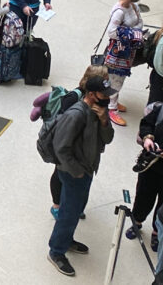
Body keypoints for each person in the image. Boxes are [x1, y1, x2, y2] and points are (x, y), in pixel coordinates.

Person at [46, 77, 114, 277]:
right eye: (103, 95)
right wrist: (77, 172)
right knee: (68, 212)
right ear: (91, 94)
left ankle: (66, 240)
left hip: (87, 169)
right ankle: (56, 251)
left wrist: (104, 120)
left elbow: (108, 138)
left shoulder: (99, 112)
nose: (107, 98)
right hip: (73, 173)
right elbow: (61, 148)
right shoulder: (75, 115)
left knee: (76, 209)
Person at [45, 65, 109, 220]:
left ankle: (74, 207)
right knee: (59, 175)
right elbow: (62, 133)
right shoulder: (74, 99)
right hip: (69, 150)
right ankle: (57, 205)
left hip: (86, 153)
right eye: (104, 80)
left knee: (78, 186)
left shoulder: (100, 102)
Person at [103, 0, 144, 127]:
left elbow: (140, 23)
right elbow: (112, 32)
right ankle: (111, 108)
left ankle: (112, 101)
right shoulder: (119, 12)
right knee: (115, 79)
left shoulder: (134, 6)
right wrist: (131, 33)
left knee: (120, 79)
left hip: (128, 51)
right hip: (118, 52)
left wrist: (129, 32)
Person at [125, 98, 163, 249]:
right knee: (143, 195)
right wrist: (148, 138)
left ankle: (157, 231)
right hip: (150, 166)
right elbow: (146, 123)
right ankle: (137, 222)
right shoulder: (162, 109)